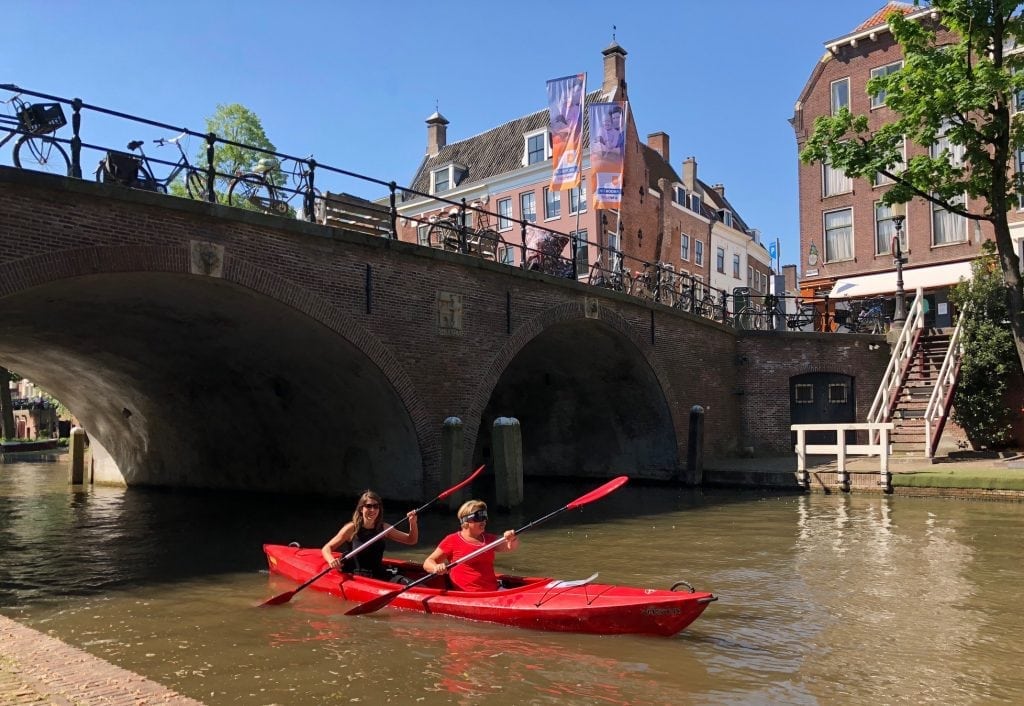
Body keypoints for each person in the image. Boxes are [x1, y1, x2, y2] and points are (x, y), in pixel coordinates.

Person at [423, 499, 518, 592]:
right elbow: (428, 562)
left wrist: (512, 538)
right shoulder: (452, 540)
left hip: (493, 591)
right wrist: (436, 567)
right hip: (468, 594)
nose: (484, 521)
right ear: (466, 521)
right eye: (479, 518)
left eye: (485, 517)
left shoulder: (489, 539)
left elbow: (510, 546)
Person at [321, 490, 418, 580]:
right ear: (361, 509)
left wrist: (412, 523)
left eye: (376, 506)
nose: (372, 510)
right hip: (356, 576)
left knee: (414, 585)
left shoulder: (384, 528)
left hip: (378, 574)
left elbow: (411, 540)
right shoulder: (351, 528)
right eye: (368, 506)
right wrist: (331, 560)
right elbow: (327, 548)